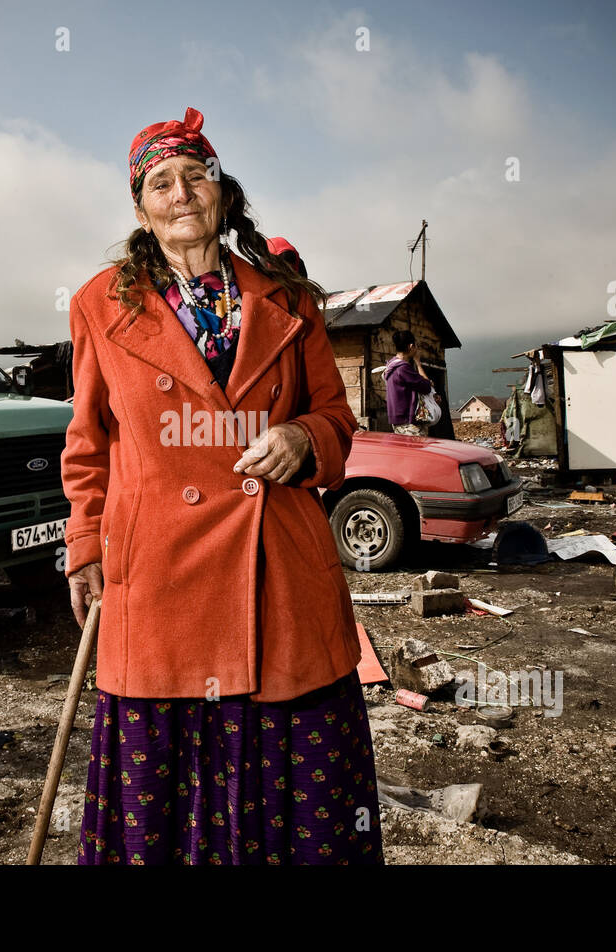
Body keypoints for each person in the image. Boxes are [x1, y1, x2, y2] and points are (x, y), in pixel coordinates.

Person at [61, 107, 382, 865]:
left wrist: (303, 438)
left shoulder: (289, 300)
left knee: (299, 798)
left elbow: (337, 418)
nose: (181, 193)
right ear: (140, 208)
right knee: (163, 794)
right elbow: (88, 443)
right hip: (159, 579)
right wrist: (83, 546)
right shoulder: (100, 305)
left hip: (278, 574)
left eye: (196, 176)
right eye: (161, 182)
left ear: (223, 194)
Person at [383, 329, 437, 436]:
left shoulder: (391, 366)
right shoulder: (403, 369)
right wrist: (418, 363)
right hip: (409, 422)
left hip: (397, 421)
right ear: (411, 346)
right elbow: (426, 387)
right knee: (418, 451)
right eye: (416, 346)